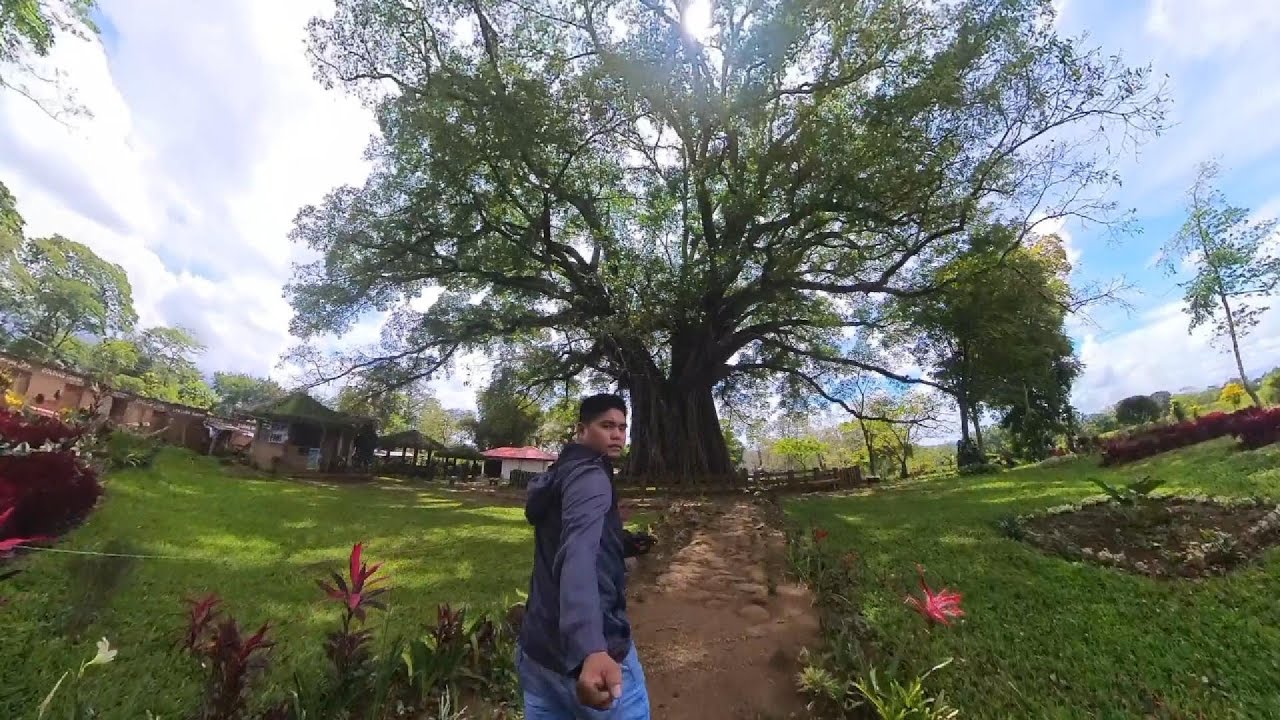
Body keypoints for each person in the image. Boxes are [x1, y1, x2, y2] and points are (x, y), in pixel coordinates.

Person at [517, 393, 655, 719]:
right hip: (589, 655)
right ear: (581, 429)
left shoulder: (559, 474)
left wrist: (621, 543)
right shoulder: (592, 476)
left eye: (623, 427)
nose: (617, 434)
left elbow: (569, 537)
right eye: (607, 425)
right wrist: (591, 649)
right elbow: (577, 556)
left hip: (537, 653)